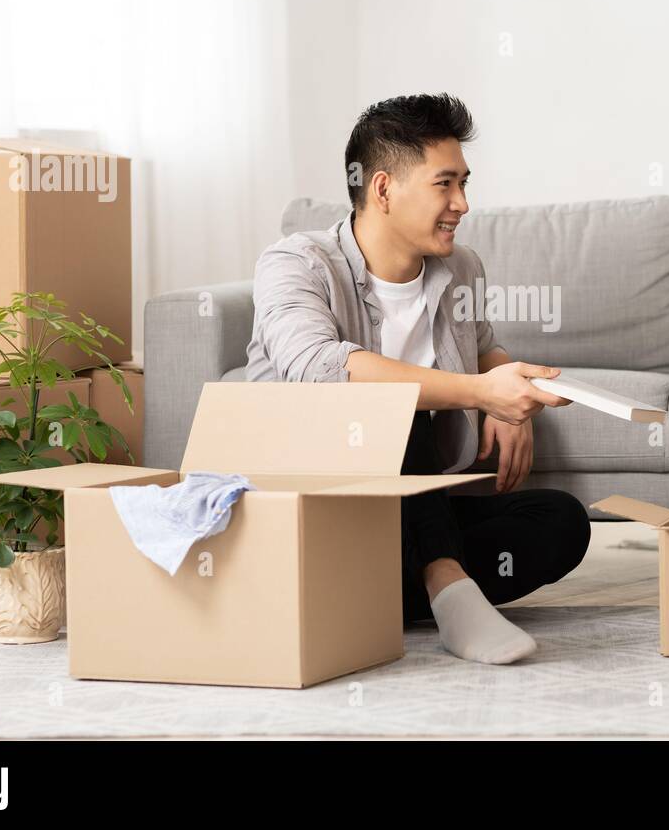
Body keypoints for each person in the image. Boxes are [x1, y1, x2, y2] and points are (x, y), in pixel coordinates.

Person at [245, 93, 590, 665]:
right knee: (386, 408)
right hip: (314, 496)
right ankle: (447, 582)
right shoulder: (296, 263)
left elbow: (481, 349)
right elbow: (318, 368)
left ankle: (371, 586)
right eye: (445, 184)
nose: (462, 203)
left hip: (402, 509)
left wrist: (508, 387)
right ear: (382, 189)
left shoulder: (461, 268)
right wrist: (483, 394)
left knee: (561, 520)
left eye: (465, 184)